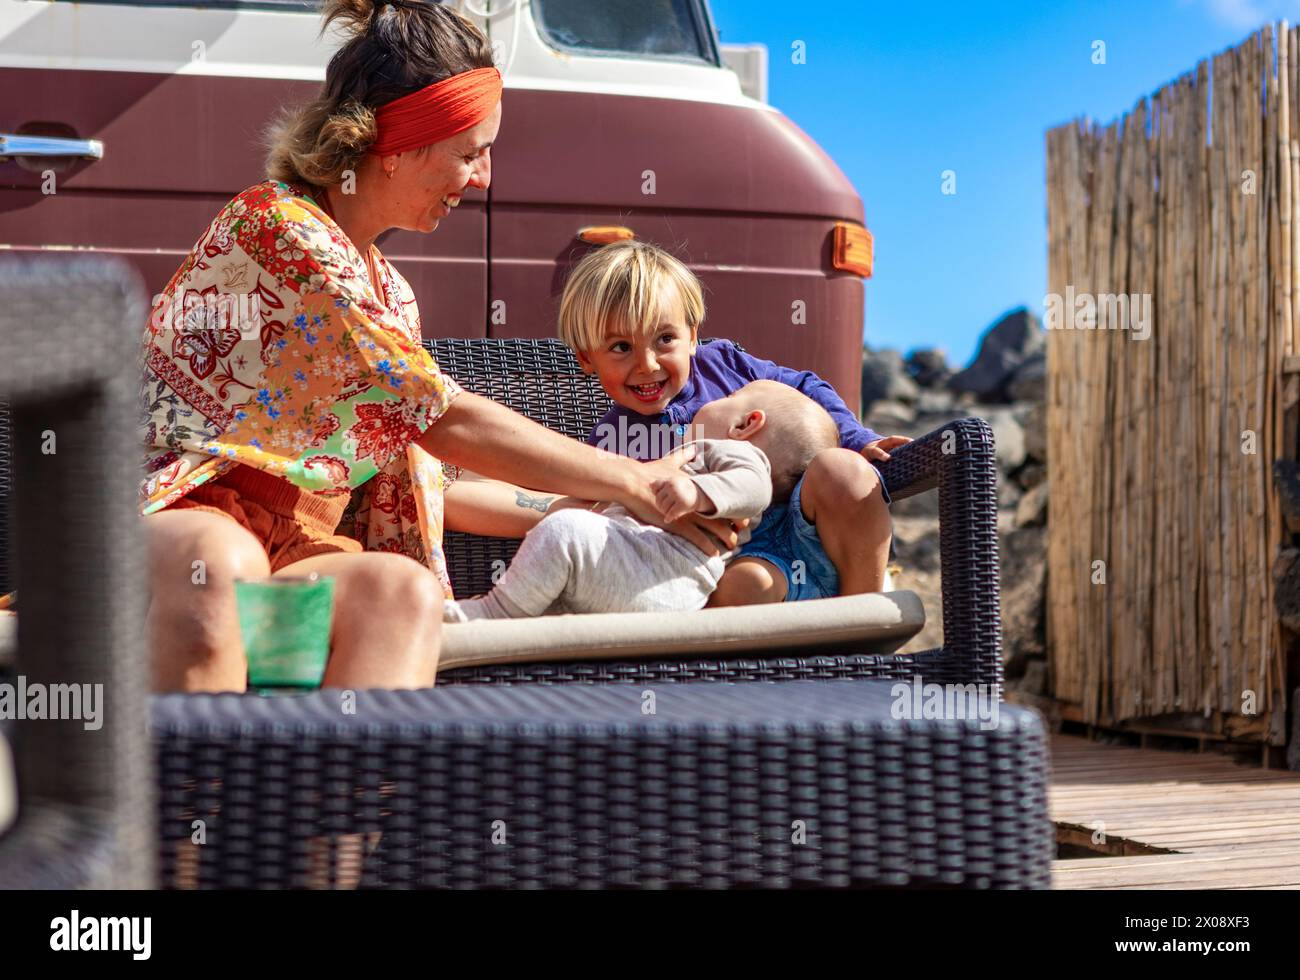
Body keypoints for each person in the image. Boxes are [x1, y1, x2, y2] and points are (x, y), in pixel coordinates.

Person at [141, 0, 734, 693]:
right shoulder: (277, 229)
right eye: (470, 152)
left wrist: (582, 507)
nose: (481, 177)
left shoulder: (390, 291)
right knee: (222, 561)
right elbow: (445, 419)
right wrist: (634, 479)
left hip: (288, 558)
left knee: (398, 594)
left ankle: (345, 802)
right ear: (396, 142)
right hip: (180, 524)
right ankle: (194, 804)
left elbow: (433, 474)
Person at [558, 240, 911, 606]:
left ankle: (863, 615)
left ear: (692, 337)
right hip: (738, 557)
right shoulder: (612, 441)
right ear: (587, 359)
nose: (647, 364)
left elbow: (806, 387)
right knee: (742, 585)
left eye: (665, 339)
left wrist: (854, 438)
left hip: (811, 524)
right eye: (620, 347)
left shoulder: (726, 365)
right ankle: (757, 652)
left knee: (845, 470)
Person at [445, 381, 838, 620]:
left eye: (731, 396)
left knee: (564, 531)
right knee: (568, 539)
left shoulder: (733, 454)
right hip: (646, 584)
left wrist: (697, 493)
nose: (713, 400)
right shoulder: (697, 456)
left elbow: (755, 489)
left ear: (746, 423)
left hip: (656, 578)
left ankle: (493, 615)